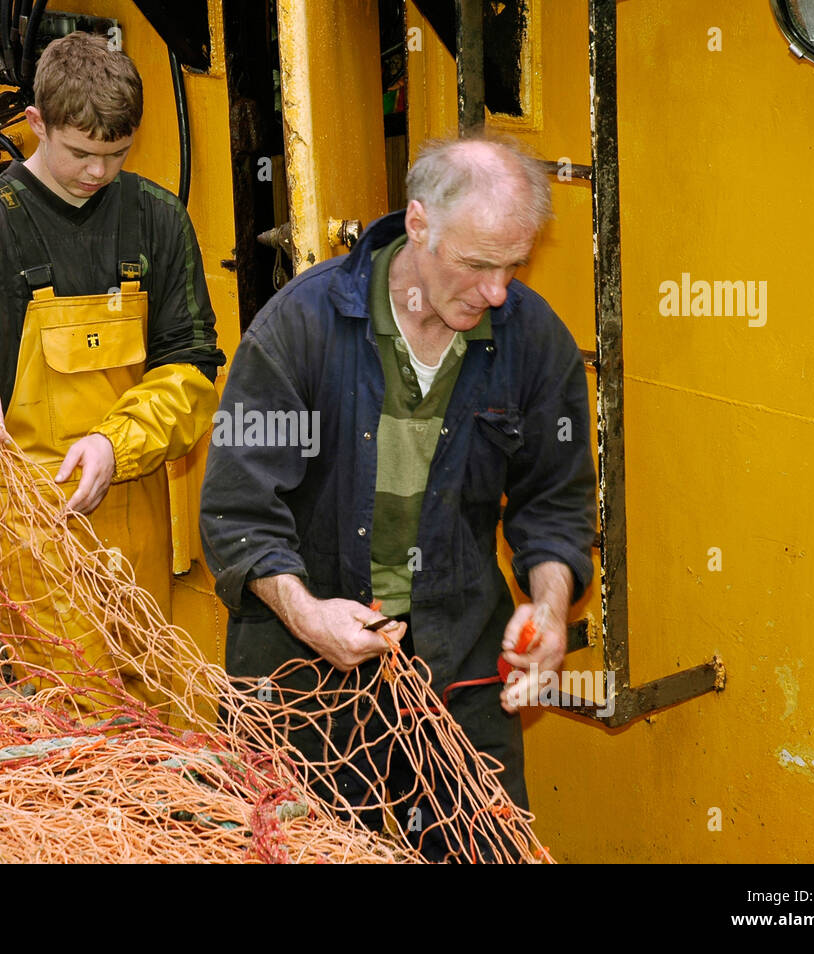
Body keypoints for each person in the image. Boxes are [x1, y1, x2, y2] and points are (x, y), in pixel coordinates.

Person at [198, 132, 595, 859]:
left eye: (512, 266)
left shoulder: (532, 339)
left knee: (491, 850)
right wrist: (309, 614)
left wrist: (548, 605)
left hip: (459, 660)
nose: (497, 292)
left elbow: (555, 505)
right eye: (477, 265)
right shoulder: (301, 327)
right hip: (301, 671)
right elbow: (239, 512)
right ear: (418, 225)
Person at [0, 32, 224, 708]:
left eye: (115, 155)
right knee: (74, 711)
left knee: (159, 712)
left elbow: (192, 370)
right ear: (36, 124)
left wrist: (118, 444)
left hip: (137, 512)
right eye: (81, 153)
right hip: (35, 530)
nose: (96, 173)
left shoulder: (158, 220)